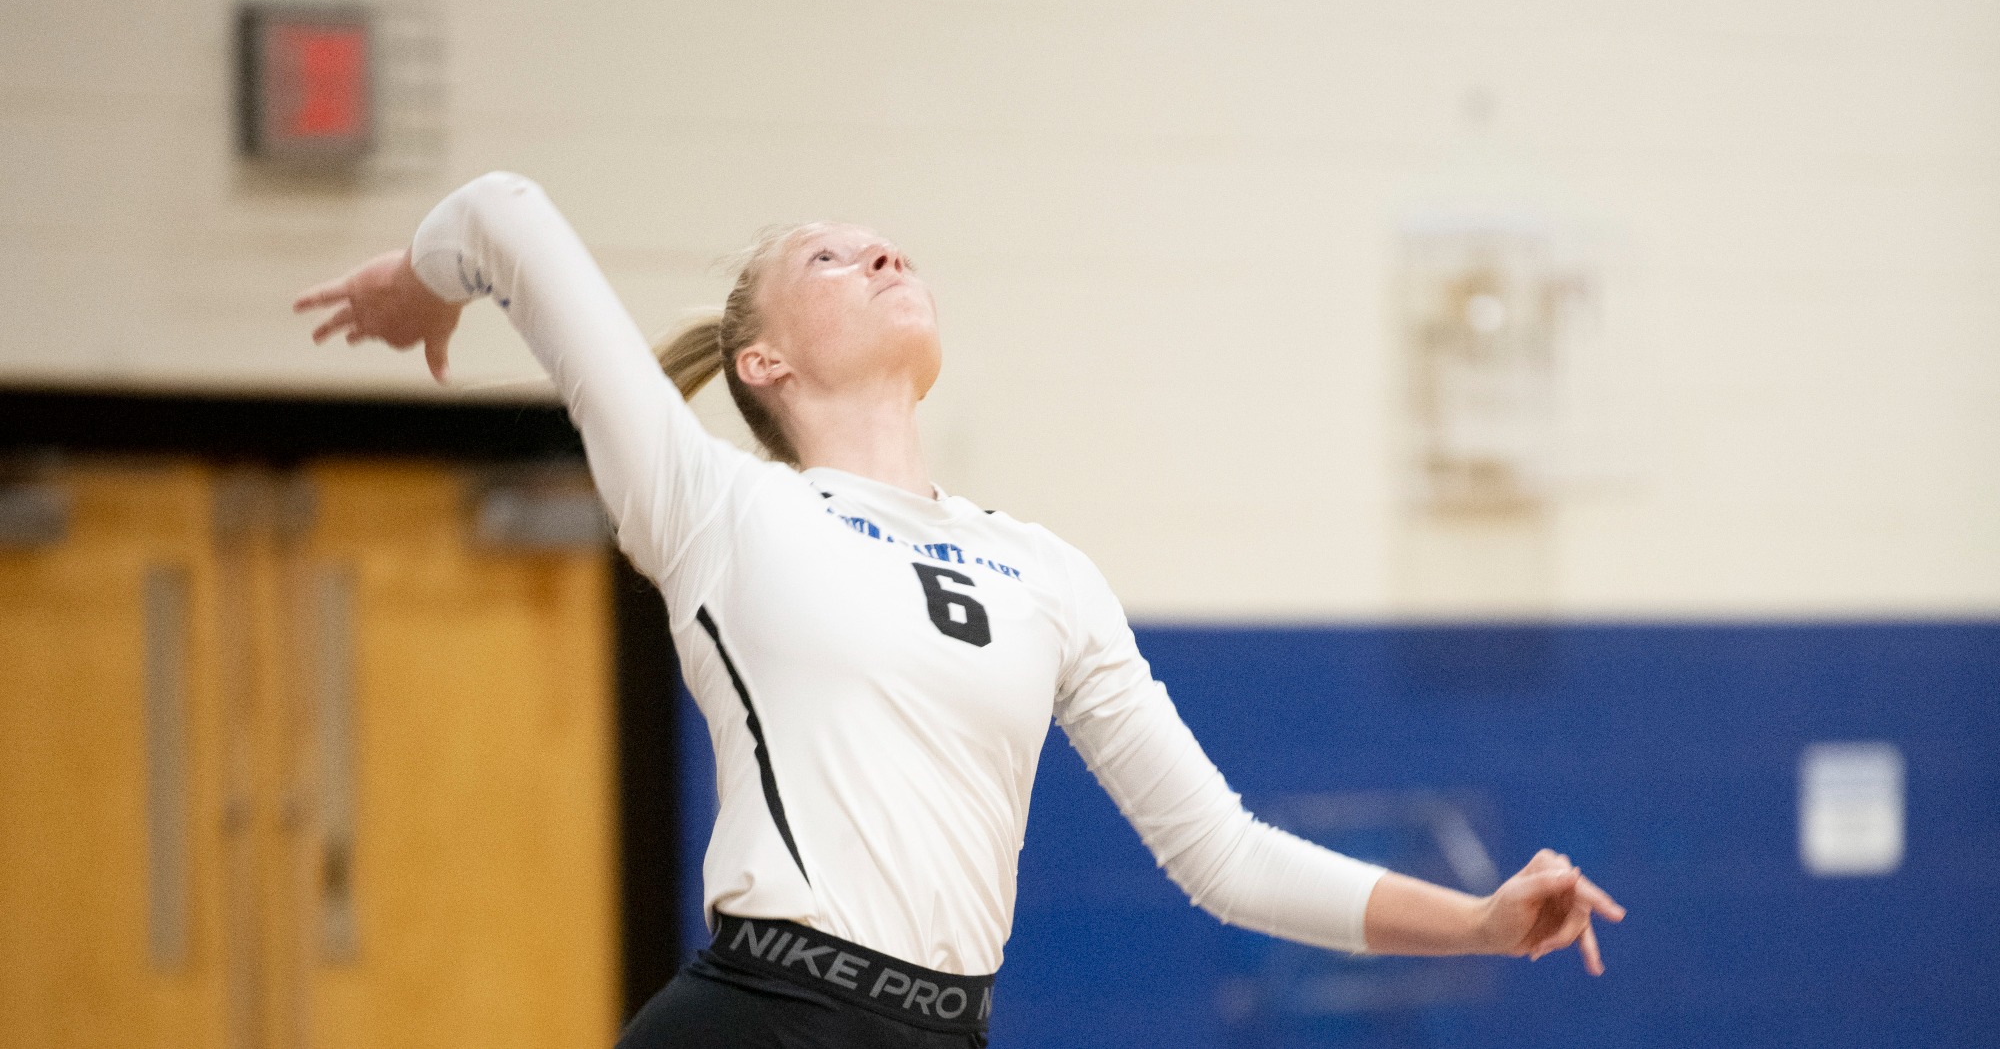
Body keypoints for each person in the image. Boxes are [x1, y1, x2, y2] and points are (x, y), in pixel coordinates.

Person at [294, 172, 1625, 1048]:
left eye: (883, 241)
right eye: (829, 255)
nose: (882, 248)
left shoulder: (1047, 572)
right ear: (762, 358)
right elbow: (504, 214)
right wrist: (425, 276)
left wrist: (1481, 920)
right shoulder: (711, 504)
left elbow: (1222, 853)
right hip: (765, 1016)